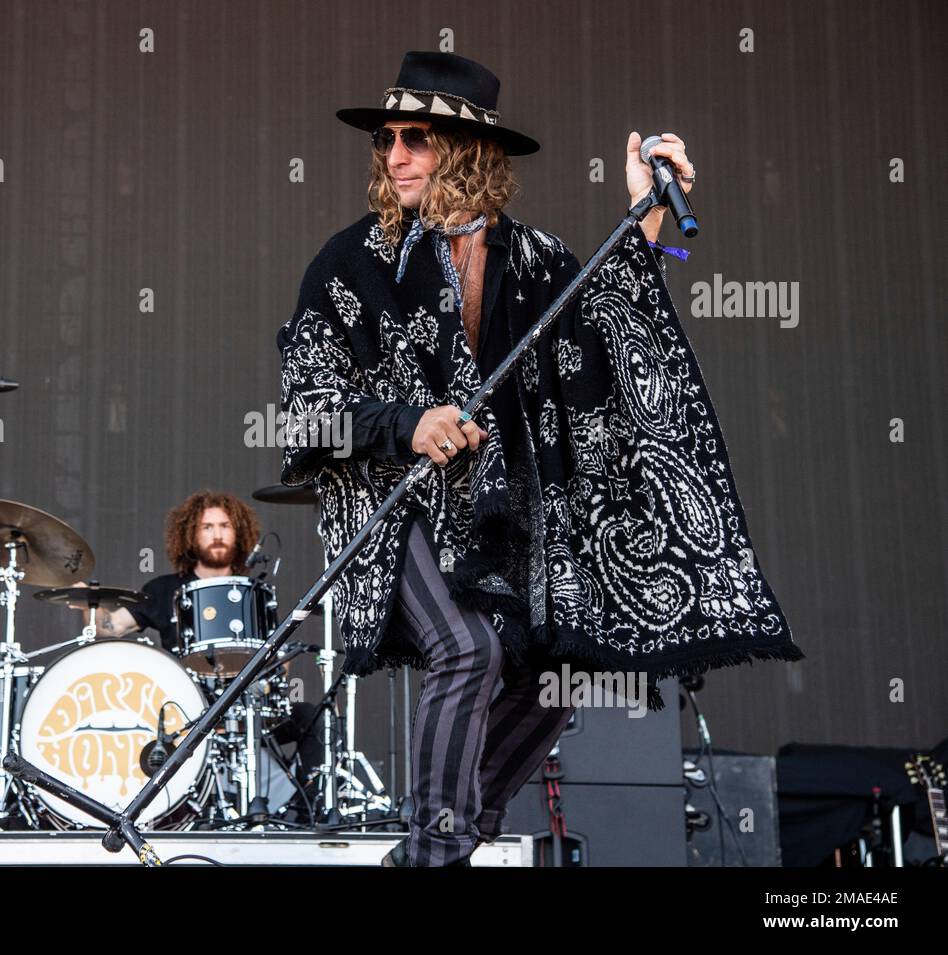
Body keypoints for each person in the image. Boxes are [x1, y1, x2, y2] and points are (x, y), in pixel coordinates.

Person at [277, 51, 801, 865]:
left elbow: (611, 341)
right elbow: (306, 415)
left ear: (469, 151)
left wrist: (644, 214)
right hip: (388, 505)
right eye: (386, 139)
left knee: (570, 663)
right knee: (468, 649)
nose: (395, 155)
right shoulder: (348, 264)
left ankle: (438, 844)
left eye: (416, 137)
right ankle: (435, 853)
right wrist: (407, 423)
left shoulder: (537, 260)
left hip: (503, 515)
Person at [89, 489, 324, 819]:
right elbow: (111, 626)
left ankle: (306, 808)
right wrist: (84, 598)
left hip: (248, 707)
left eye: (225, 526)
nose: (217, 534)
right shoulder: (163, 589)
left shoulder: (254, 592)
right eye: (207, 527)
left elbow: (275, 661)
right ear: (190, 535)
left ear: (238, 533)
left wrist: (275, 678)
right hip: (185, 711)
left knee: (312, 714)